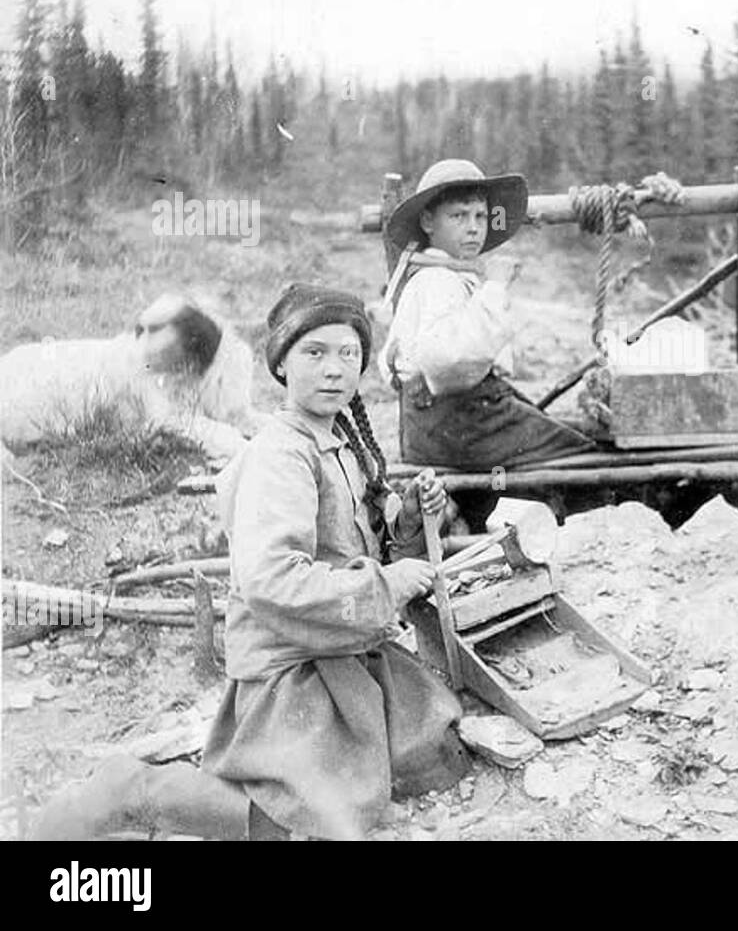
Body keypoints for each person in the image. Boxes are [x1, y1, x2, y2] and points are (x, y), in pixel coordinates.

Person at [33, 285, 468, 840]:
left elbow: (357, 551)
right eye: (314, 353)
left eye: (348, 354)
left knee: (436, 754)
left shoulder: (341, 446)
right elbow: (271, 580)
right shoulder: (280, 455)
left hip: (342, 642)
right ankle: (135, 791)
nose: (334, 370)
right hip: (291, 663)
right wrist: (387, 583)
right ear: (282, 362)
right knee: (315, 820)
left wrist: (407, 521)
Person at [381, 159, 598, 528]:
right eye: (459, 216)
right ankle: (588, 512)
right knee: (574, 448)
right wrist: (496, 288)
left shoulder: (446, 276)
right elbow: (448, 361)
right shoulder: (437, 281)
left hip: (445, 424)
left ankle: (488, 508)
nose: (473, 228)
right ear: (429, 222)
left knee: (557, 431)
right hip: (457, 422)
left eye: (481, 217)